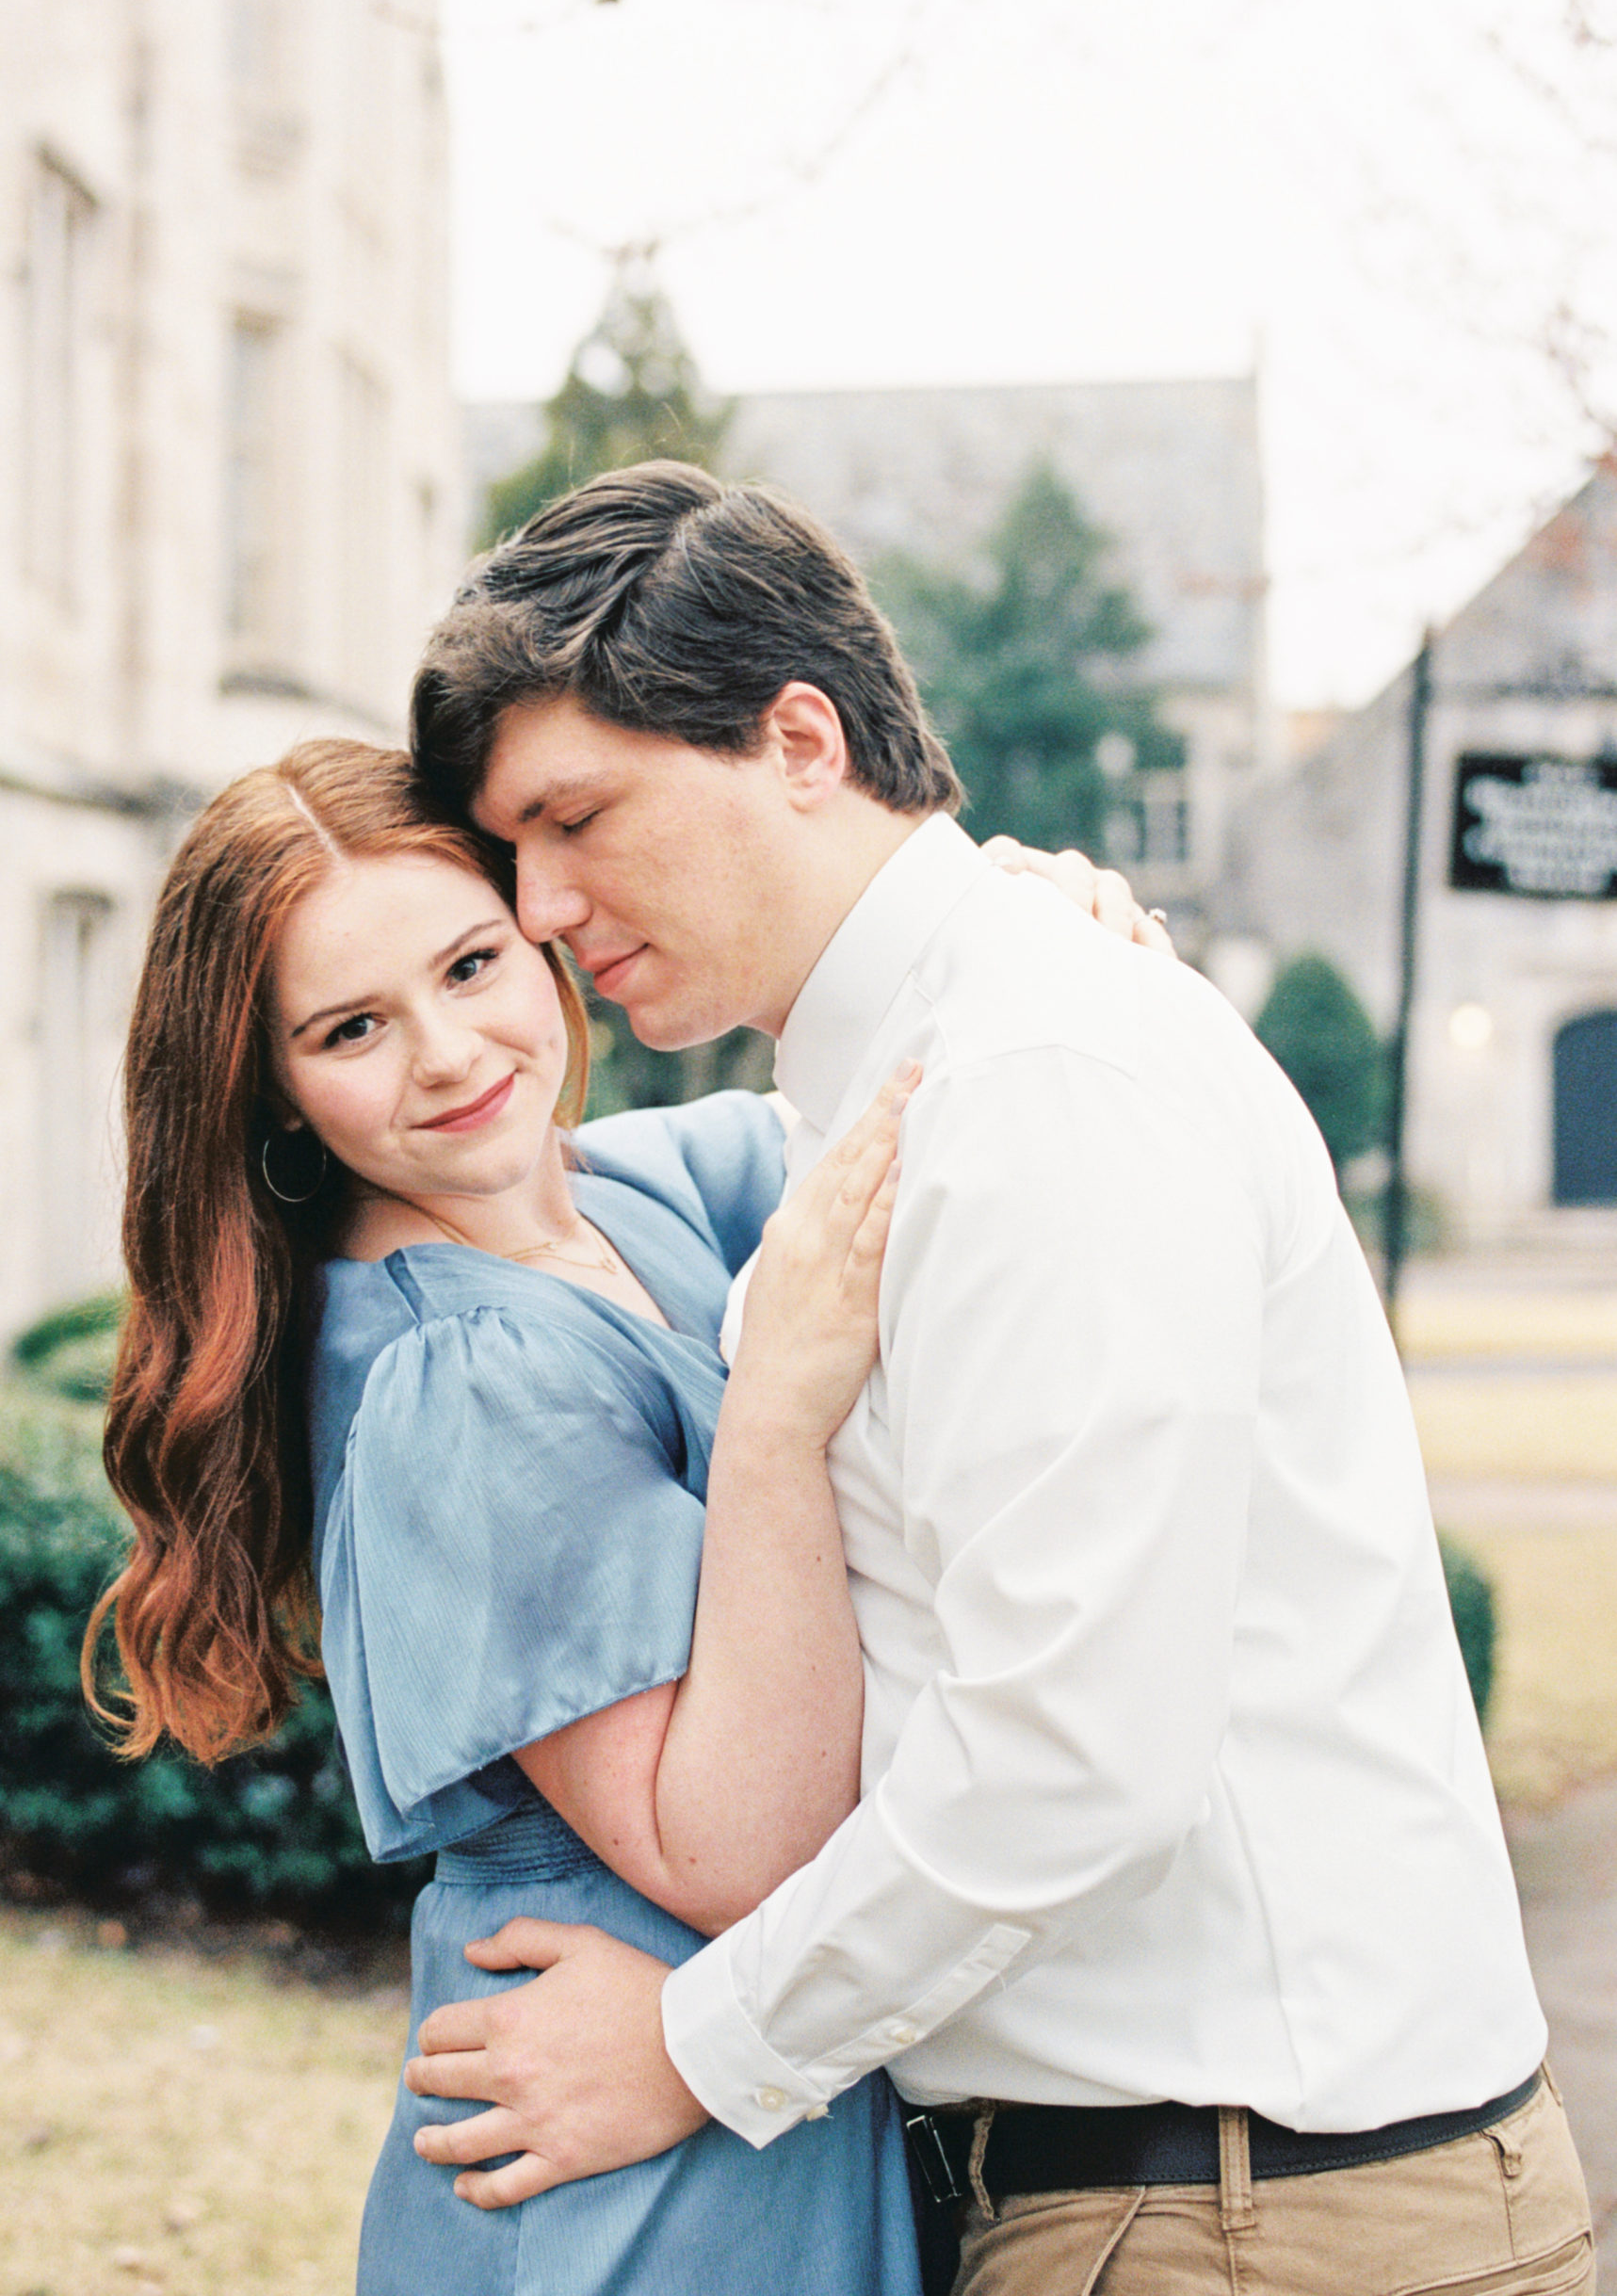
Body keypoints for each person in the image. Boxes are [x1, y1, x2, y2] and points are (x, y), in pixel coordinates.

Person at [400, 461, 1593, 2296]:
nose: (543, 902)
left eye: (575, 817)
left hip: (1259, 2217)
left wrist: (692, 2045)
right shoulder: (896, 1080)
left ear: (800, 736)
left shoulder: (1041, 1077)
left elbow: (1068, 1753)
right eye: (511, 853)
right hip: (1173, 2196)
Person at [87, 738, 928, 2296]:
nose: (448, 1052)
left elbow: (883, 1087)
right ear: (270, 1091)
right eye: (350, 1028)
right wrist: (774, 1419)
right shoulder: (457, 1381)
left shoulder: (615, 1195)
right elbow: (734, 1852)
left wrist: (1011, 929)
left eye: (471, 963)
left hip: (745, 2085)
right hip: (630, 2155)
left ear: (538, 929)